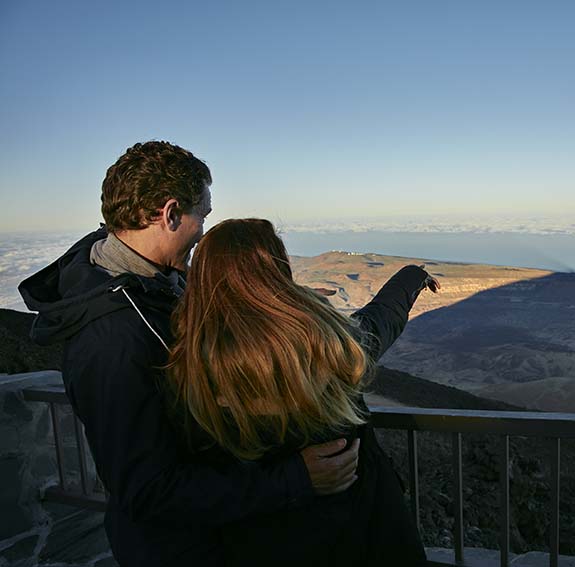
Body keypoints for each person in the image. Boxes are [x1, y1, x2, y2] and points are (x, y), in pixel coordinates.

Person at [18, 142, 359, 566]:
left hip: (217, 534)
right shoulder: (111, 340)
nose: (203, 231)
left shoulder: (152, 284)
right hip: (181, 551)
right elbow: (148, 490)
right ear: (172, 214)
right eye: (204, 215)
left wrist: (284, 299)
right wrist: (294, 480)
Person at [166, 218, 439, 566]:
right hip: (356, 526)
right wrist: (411, 278)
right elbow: (375, 325)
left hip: (257, 539)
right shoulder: (318, 343)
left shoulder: (189, 363)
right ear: (276, 270)